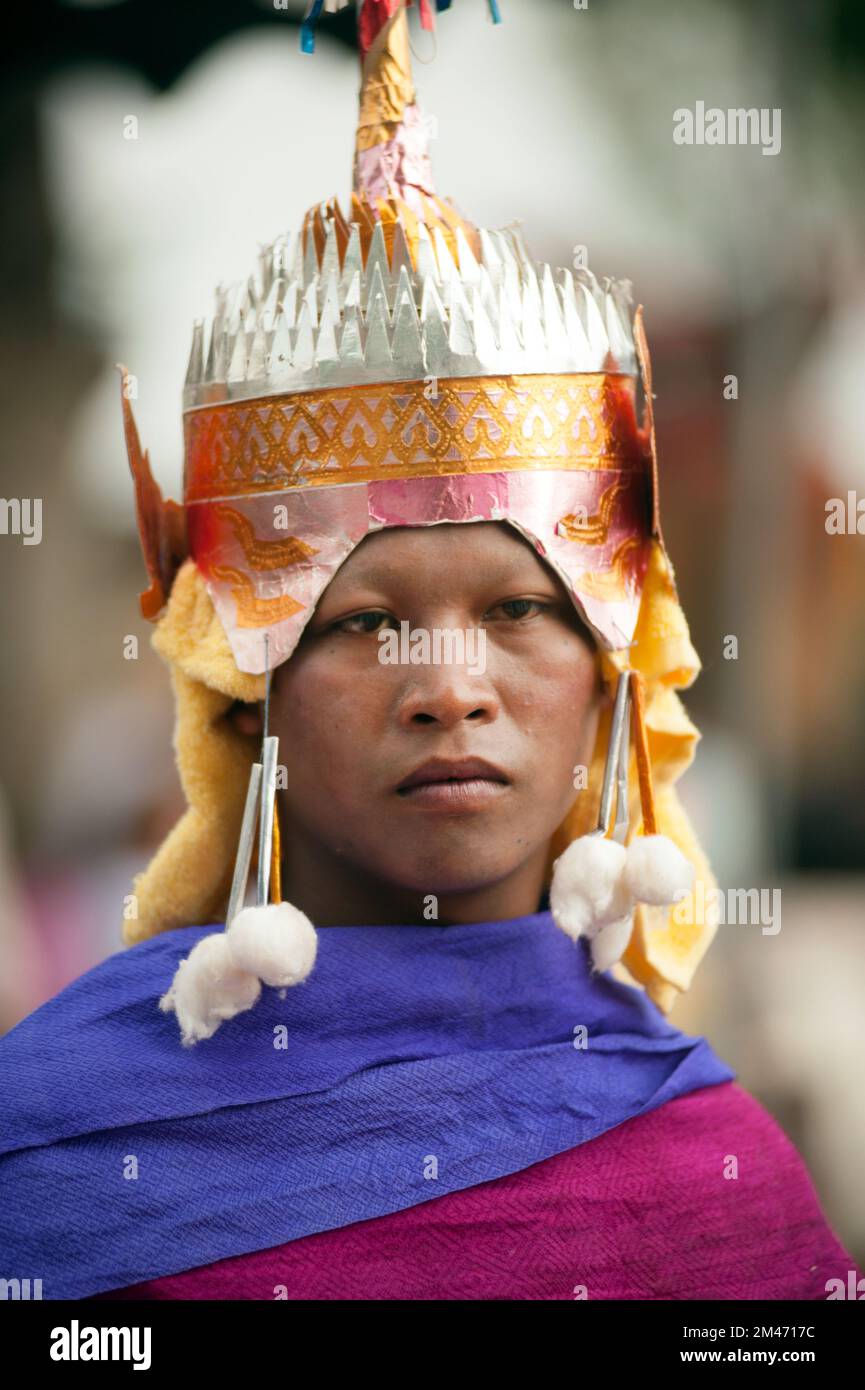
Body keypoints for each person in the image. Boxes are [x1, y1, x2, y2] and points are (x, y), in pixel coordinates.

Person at [0, 1, 859, 1302]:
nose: (450, 687)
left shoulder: (709, 1167)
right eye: (359, 621)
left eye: (520, 612)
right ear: (248, 694)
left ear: (608, 681)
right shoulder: (53, 1138)